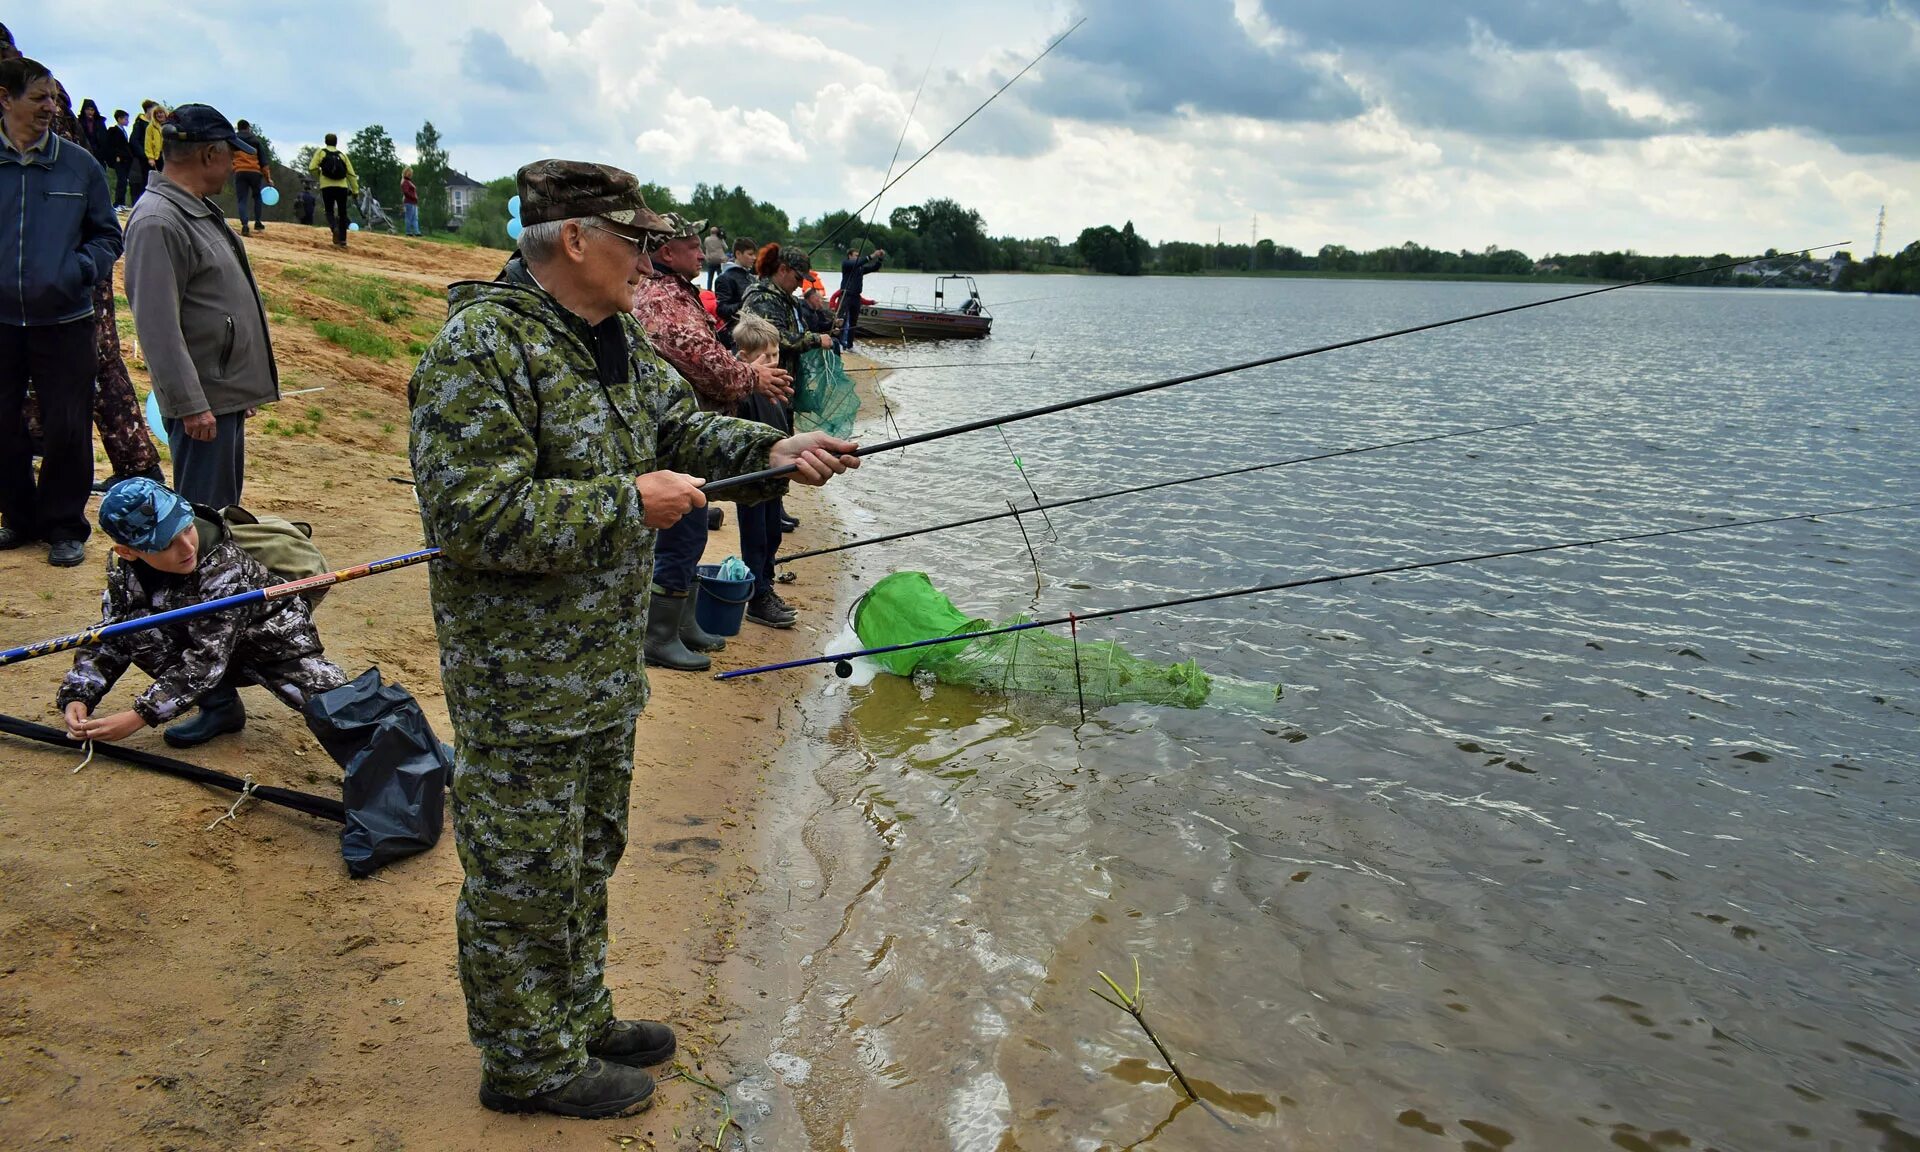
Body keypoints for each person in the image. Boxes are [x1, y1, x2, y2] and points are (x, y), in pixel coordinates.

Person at [408, 159, 858, 1120]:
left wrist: (771, 452)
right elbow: (473, 515)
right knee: (523, 868)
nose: (650, 257)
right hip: (519, 674)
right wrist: (627, 502)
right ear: (575, 240)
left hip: (601, 666)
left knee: (588, 847)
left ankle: (574, 1015)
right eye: (635, 239)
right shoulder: (479, 348)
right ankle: (526, 1064)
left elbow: (685, 431)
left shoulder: (612, 338)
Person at [57, 478, 348, 748]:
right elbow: (112, 634)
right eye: (166, 543)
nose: (186, 547)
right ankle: (221, 708)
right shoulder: (124, 571)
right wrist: (79, 694)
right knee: (135, 627)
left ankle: (381, 744)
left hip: (270, 642)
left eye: (186, 528)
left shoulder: (224, 566)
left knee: (336, 703)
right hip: (204, 641)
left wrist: (139, 715)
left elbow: (208, 657)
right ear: (128, 552)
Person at [633, 212, 793, 670]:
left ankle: (682, 624)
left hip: (691, 431)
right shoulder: (661, 298)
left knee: (694, 527)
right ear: (667, 251)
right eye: (692, 247)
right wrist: (750, 374)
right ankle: (659, 636)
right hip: (677, 437)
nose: (703, 255)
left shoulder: (674, 292)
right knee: (681, 535)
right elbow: (703, 362)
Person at [125, 103, 279, 512]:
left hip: (219, 394)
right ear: (210, 154)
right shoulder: (158, 220)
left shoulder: (192, 209)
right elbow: (157, 327)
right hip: (203, 403)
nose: (234, 164)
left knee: (221, 511)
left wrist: (239, 388)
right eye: (230, 154)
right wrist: (190, 403)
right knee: (203, 516)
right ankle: (194, 579)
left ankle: (217, 575)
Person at [0, 56, 123, 568]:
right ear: (4, 99)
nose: (51, 108)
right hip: (1, 322)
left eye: (53, 98)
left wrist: (76, 269)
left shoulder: (80, 165)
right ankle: (19, 517)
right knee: (0, 423)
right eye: (39, 98)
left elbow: (108, 235)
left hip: (66, 319)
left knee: (68, 425)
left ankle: (64, 526)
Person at [738, 245, 834, 626]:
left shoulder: (777, 390)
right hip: (752, 473)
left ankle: (765, 584)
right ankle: (756, 592)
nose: (772, 362)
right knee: (756, 532)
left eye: (776, 355)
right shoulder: (760, 299)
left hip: (773, 470)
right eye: (766, 357)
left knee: (771, 531)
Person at [309, 132, 358, 247]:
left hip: (327, 186)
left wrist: (320, 176)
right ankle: (343, 240)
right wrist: (355, 190)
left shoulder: (321, 152)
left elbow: (312, 167)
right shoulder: (342, 155)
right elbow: (351, 174)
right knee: (342, 213)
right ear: (336, 143)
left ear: (325, 141)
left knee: (329, 210)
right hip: (342, 187)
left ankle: (333, 227)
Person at [836, 244, 884, 349]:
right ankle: (839, 343)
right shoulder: (846, 264)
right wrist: (872, 255)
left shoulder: (860, 268)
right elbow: (859, 262)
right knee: (841, 320)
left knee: (854, 322)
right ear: (849, 256)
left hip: (856, 297)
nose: (857, 257)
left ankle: (849, 345)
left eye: (858, 256)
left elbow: (874, 267)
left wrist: (880, 258)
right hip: (846, 295)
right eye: (855, 255)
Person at [712, 235, 756, 346]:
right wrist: (745, 304)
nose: (754, 258)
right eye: (750, 254)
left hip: (756, 332)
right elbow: (722, 310)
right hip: (738, 337)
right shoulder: (724, 278)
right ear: (738, 254)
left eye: (754, 254)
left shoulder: (751, 277)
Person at [230, 119, 271, 236]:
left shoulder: (233, 141)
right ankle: (258, 222)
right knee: (257, 197)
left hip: (240, 172)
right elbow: (264, 162)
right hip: (254, 172)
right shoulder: (256, 141)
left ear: (238, 128)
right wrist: (268, 179)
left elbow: (228, 156)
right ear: (248, 128)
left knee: (242, 199)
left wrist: (232, 168)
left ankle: (244, 225)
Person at [128, 100, 159, 203]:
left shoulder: (156, 125)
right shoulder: (140, 123)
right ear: (148, 110)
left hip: (156, 159)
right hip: (142, 160)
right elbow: (134, 140)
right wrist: (145, 154)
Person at [105, 109, 134, 208]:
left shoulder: (124, 131)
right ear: (119, 119)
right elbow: (112, 145)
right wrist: (116, 156)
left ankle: (122, 202)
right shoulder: (113, 130)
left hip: (126, 160)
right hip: (119, 159)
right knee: (121, 180)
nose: (127, 121)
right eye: (125, 119)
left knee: (124, 181)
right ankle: (118, 202)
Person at [700, 224, 726, 290]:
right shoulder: (720, 239)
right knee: (720, 276)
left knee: (710, 277)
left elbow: (704, 246)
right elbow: (726, 247)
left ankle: (709, 290)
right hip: (719, 260)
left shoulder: (707, 239)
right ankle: (720, 289)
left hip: (710, 260)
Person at [400, 165, 420, 236]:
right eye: (409, 173)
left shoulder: (409, 181)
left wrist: (415, 199)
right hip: (409, 202)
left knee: (415, 218)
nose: (410, 174)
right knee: (409, 217)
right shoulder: (405, 181)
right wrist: (413, 197)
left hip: (413, 202)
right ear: (406, 173)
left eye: (411, 173)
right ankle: (408, 232)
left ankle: (417, 232)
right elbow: (406, 192)